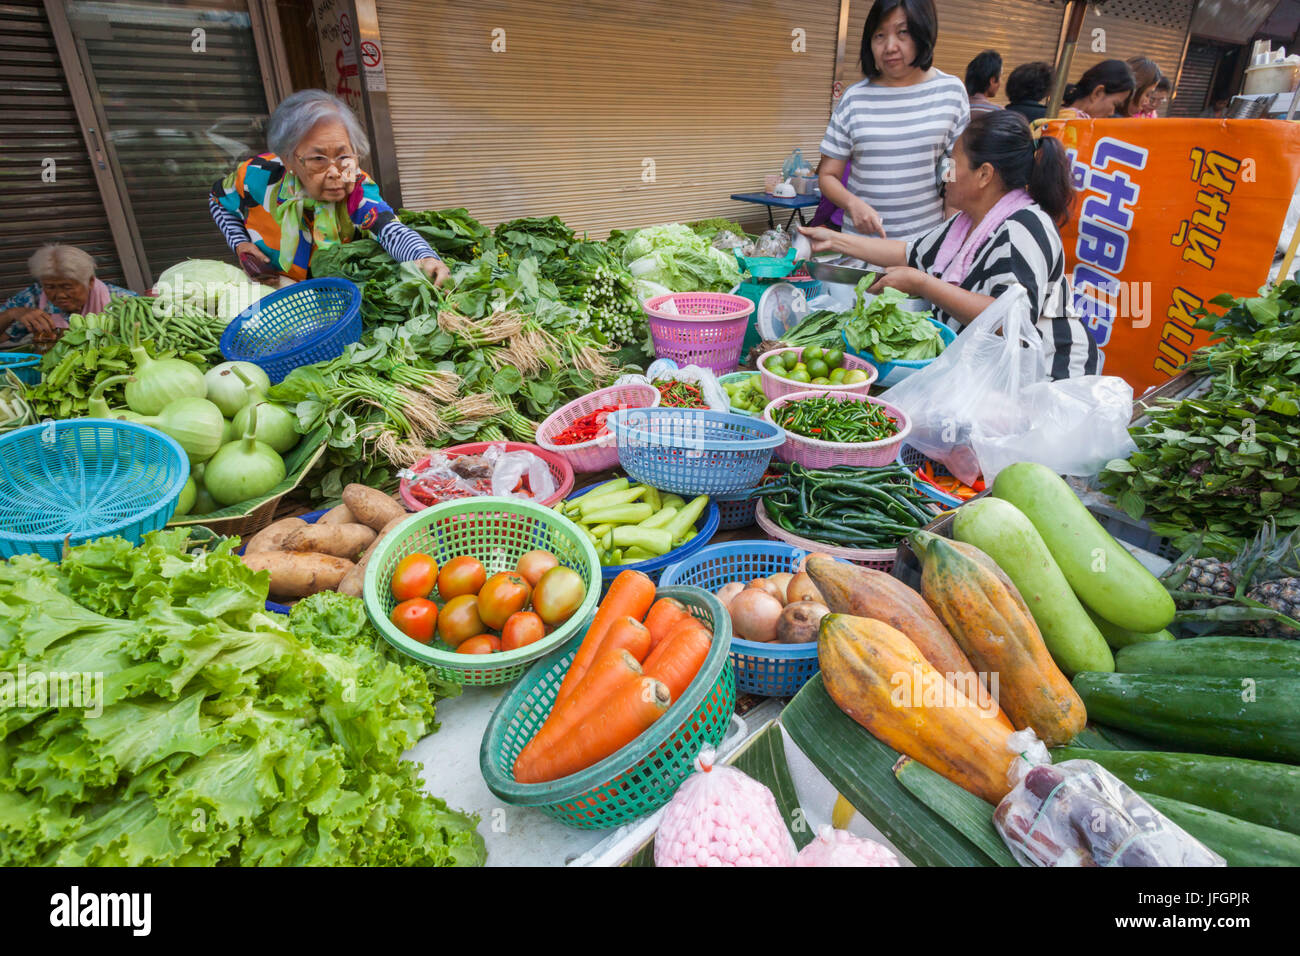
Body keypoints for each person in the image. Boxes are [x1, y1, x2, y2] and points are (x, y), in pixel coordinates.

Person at [801, 110, 1099, 380]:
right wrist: (834, 240)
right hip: (991, 372)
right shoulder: (967, 223)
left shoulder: (1024, 229)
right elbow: (909, 254)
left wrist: (923, 284)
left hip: (1048, 379)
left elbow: (1010, 321)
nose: (946, 175)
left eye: (953, 165)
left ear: (984, 174)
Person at [209, 90, 448, 287]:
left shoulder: (356, 186)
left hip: (338, 294)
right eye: (318, 159)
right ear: (289, 160)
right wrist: (240, 242)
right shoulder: (257, 177)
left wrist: (424, 257)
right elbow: (218, 201)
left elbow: (389, 228)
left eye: (344, 155)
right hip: (275, 289)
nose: (335, 172)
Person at [817, 0, 969, 244]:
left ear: (924, 31)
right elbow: (827, 175)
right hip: (862, 247)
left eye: (902, 33)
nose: (889, 46)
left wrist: (953, 239)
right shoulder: (854, 99)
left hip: (923, 248)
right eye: (879, 35)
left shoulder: (951, 93)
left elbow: (953, 170)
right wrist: (852, 204)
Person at [1, 244, 135, 352]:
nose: (59, 295)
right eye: (50, 287)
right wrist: (11, 314)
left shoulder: (124, 301)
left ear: (90, 282)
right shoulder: (33, 297)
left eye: (67, 287)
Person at [1053, 59, 1136, 120]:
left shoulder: (1057, 114)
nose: (1112, 113)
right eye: (1115, 104)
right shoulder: (1073, 124)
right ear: (1097, 92)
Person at [966, 50, 1003, 114]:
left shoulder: (958, 108)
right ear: (992, 80)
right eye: (1000, 77)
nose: (1001, 82)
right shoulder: (998, 112)